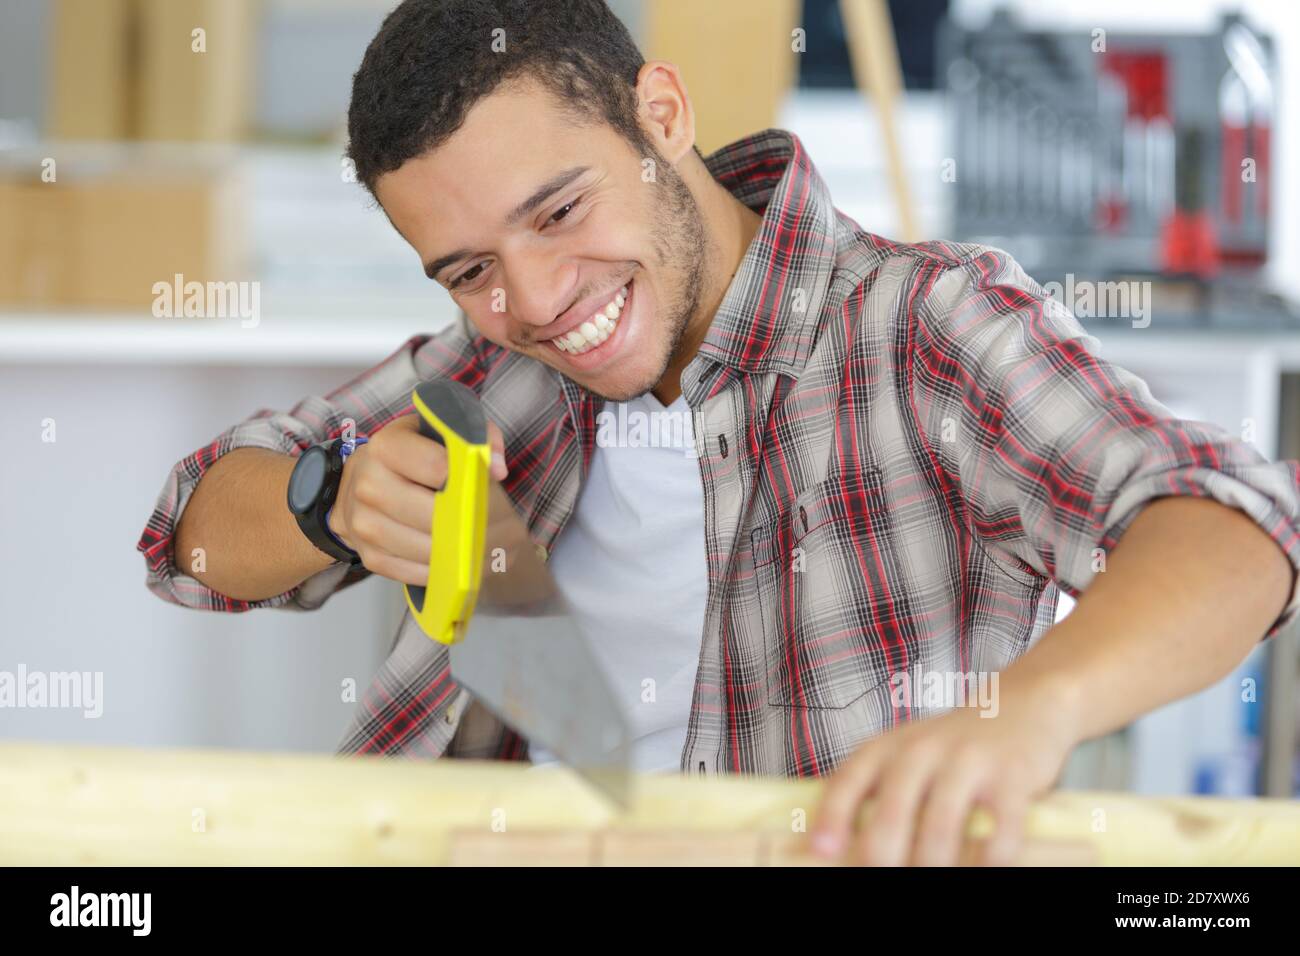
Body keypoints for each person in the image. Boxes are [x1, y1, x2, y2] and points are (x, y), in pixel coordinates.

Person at [139, 0, 1300, 866]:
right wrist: (324, 501)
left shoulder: (924, 324)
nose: (539, 298)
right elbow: (185, 534)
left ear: (663, 113)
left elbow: (1235, 521)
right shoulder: (493, 370)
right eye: (469, 268)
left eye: (559, 209)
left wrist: (1035, 716)